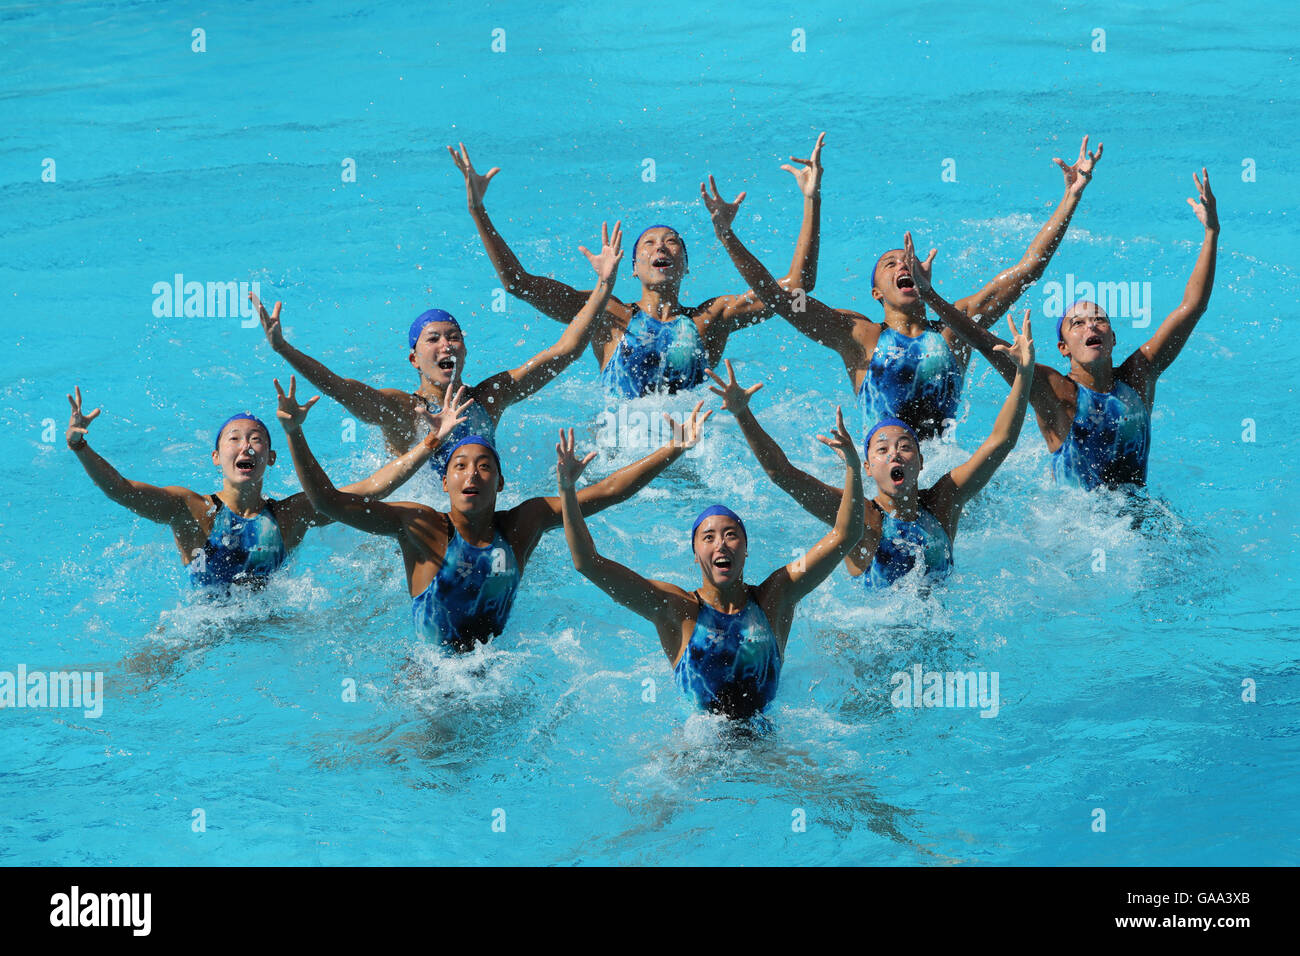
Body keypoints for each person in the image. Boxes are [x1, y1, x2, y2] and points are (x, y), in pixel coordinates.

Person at [701, 135, 1101, 441]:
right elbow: (779, 298)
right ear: (877, 293)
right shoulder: (858, 335)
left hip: (941, 477)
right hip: (881, 478)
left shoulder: (955, 329)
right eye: (890, 264)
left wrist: (1071, 196)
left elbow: (1029, 269)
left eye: (907, 260)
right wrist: (728, 235)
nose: (901, 265)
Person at [279, 376, 715, 651]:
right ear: (444, 482)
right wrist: (296, 434)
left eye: (484, 466)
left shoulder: (522, 523)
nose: (472, 475)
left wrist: (674, 449)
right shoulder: (420, 526)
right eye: (460, 467)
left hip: (497, 671)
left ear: (501, 483)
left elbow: (606, 492)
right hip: (431, 678)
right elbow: (329, 504)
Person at [447, 135, 826, 397]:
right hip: (620, 458)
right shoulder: (606, 313)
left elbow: (796, 291)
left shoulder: (712, 318)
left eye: (672, 242)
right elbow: (517, 284)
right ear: (631, 268)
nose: (661, 246)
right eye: (649, 243)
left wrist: (807, 202)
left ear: (685, 267)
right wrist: (477, 210)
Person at [914, 167, 1218, 491]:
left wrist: (1212, 232)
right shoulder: (1054, 390)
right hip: (1078, 531)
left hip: (1137, 520)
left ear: (1113, 338)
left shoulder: (1139, 376)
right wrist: (929, 296)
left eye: (1099, 319)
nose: (1091, 325)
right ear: (1063, 347)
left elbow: (1191, 308)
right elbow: (980, 337)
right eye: (1078, 323)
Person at [557, 409, 864, 719]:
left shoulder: (776, 597)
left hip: (765, 748)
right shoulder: (676, 609)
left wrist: (853, 467)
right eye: (709, 537)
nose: (721, 544)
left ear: (746, 550)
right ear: (694, 553)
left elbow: (846, 535)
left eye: (731, 535)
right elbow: (588, 563)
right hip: (697, 751)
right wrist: (568, 492)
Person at [254, 221, 623, 475]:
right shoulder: (403, 410)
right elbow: (342, 388)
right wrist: (283, 348)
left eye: (454, 337)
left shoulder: (488, 398)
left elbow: (565, 351)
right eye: (434, 339)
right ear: (414, 359)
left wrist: (604, 286)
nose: (446, 344)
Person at [707, 305, 1033, 588]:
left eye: (905, 446)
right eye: (882, 449)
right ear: (868, 467)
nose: (894, 453)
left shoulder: (944, 502)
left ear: (920, 461)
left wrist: (1023, 374)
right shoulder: (861, 519)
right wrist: (742, 413)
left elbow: (1001, 441)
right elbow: (783, 474)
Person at [64, 378, 468, 589]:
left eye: (256, 439)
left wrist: (433, 440)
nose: (246, 446)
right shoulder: (192, 510)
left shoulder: (291, 515)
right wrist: (82, 447)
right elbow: (122, 490)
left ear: (270, 457)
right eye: (234, 439)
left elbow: (372, 488)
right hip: (204, 629)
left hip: (272, 626)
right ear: (216, 456)